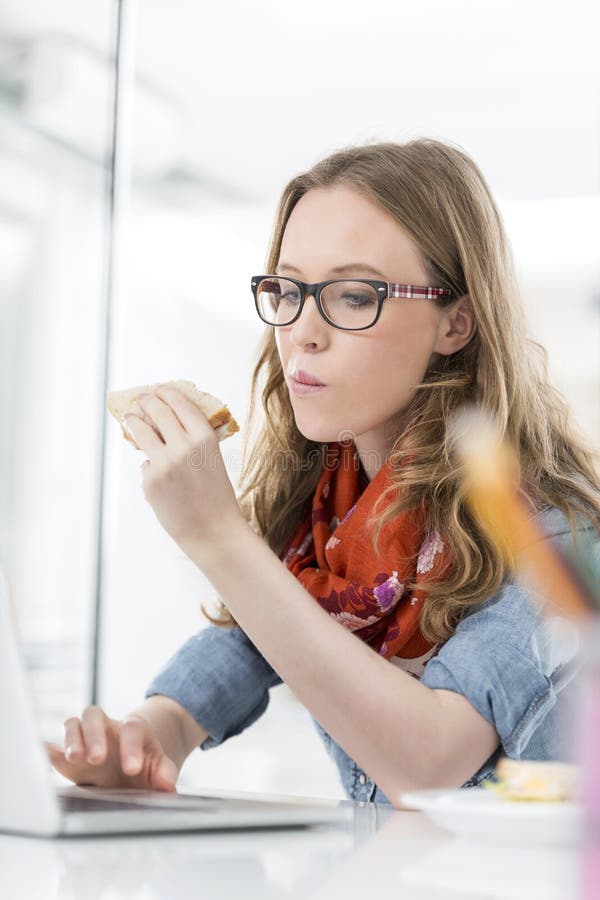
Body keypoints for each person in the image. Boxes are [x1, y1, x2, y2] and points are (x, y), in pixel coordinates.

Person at [48, 138, 600, 807]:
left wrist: (218, 536)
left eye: (352, 294)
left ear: (456, 322)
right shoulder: (327, 522)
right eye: (288, 289)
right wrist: (150, 737)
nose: (302, 331)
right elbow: (251, 639)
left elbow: (428, 764)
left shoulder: (556, 537)